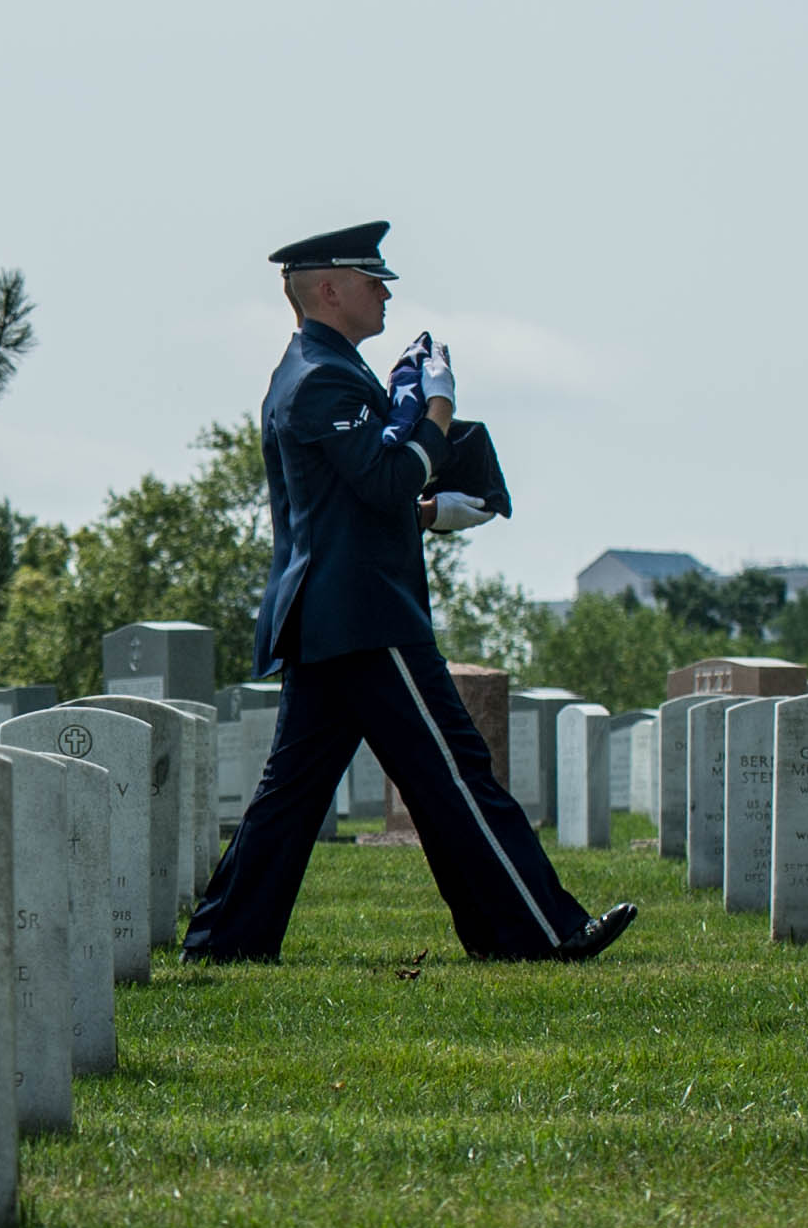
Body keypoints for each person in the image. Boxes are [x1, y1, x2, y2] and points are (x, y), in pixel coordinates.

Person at [181, 221, 633, 964]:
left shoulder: (323, 369)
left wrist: (429, 503)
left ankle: (223, 942)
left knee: (290, 798)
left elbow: (355, 498)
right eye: (371, 279)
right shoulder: (321, 377)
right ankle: (539, 931)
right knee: (454, 770)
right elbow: (384, 476)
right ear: (328, 289)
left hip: (336, 613)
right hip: (363, 615)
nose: (385, 290)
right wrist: (436, 413)